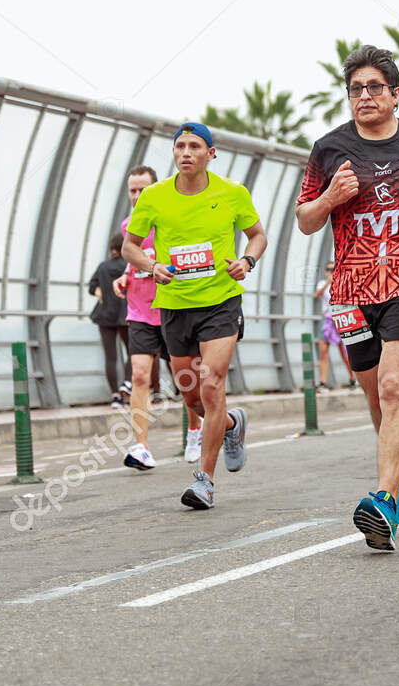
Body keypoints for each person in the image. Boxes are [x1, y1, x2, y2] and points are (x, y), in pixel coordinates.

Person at [295, 45, 399, 551]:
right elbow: (305, 221)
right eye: (355, 89)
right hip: (351, 286)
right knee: (377, 397)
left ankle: (383, 500)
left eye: (374, 87)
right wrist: (330, 198)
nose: (364, 96)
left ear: (395, 94)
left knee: (395, 386)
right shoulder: (328, 149)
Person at [124, 122, 266, 510]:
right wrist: (151, 268)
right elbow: (130, 246)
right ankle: (233, 425)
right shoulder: (153, 197)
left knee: (211, 384)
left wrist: (246, 261)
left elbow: (258, 234)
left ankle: (205, 481)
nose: (186, 153)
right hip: (174, 306)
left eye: (195, 146)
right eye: (180, 146)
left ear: (210, 154)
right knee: (193, 398)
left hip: (221, 302)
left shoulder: (232, 193)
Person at [115, 164, 187, 470]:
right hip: (139, 311)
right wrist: (123, 275)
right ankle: (141, 446)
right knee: (141, 375)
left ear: (156, 188)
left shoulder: (173, 220)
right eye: (132, 189)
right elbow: (134, 257)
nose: (136, 195)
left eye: (142, 189)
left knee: (187, 383)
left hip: (172, 308)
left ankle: (196, 432)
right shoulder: (128, 225)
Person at [87, 232, 129, 406]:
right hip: (125, 314)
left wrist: (101, 293)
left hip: (105, 315)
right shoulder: (128, 266)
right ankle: (126, 385)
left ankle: (115, 395)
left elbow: (91, 287)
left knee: (110, 356)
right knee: (135, 352)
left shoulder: (103, 266)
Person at [313, 261, 352, 390]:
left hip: (340, 318)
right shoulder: (322, 284)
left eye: (333, 269)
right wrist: (328, 283)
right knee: (323, 352)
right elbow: (317, 295)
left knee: (345, 352)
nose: (331, 271)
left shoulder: (343, 283)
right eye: (328, 269)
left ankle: (353, 378)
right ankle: (322, 383)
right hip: (327, 320)